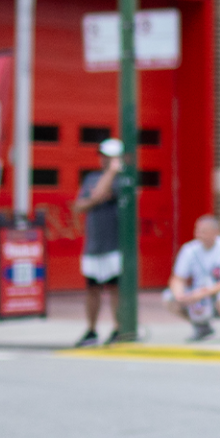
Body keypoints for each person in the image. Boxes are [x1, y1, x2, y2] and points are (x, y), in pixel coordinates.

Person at [164, 215, 220, 342]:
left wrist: (201, 294)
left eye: (204, 231)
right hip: (200, 292)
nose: (199, 234)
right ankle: (202, 328)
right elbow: (178, 278)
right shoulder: (190, 250)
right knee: (169, 298)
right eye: (197, 231)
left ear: (216, 232)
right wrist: (180, 295)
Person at [71, 138, 123, 347]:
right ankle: (91, 331)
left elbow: (100, 193)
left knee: (114, 288)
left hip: (114, 246)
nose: (103, 160)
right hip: (94, 245)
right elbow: (79, 206)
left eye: (108, 157)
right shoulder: (91, 177)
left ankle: (119, 329)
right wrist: (95, 199)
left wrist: (112, 172)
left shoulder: (122, 179)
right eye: (102, 156)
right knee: (92, 288)